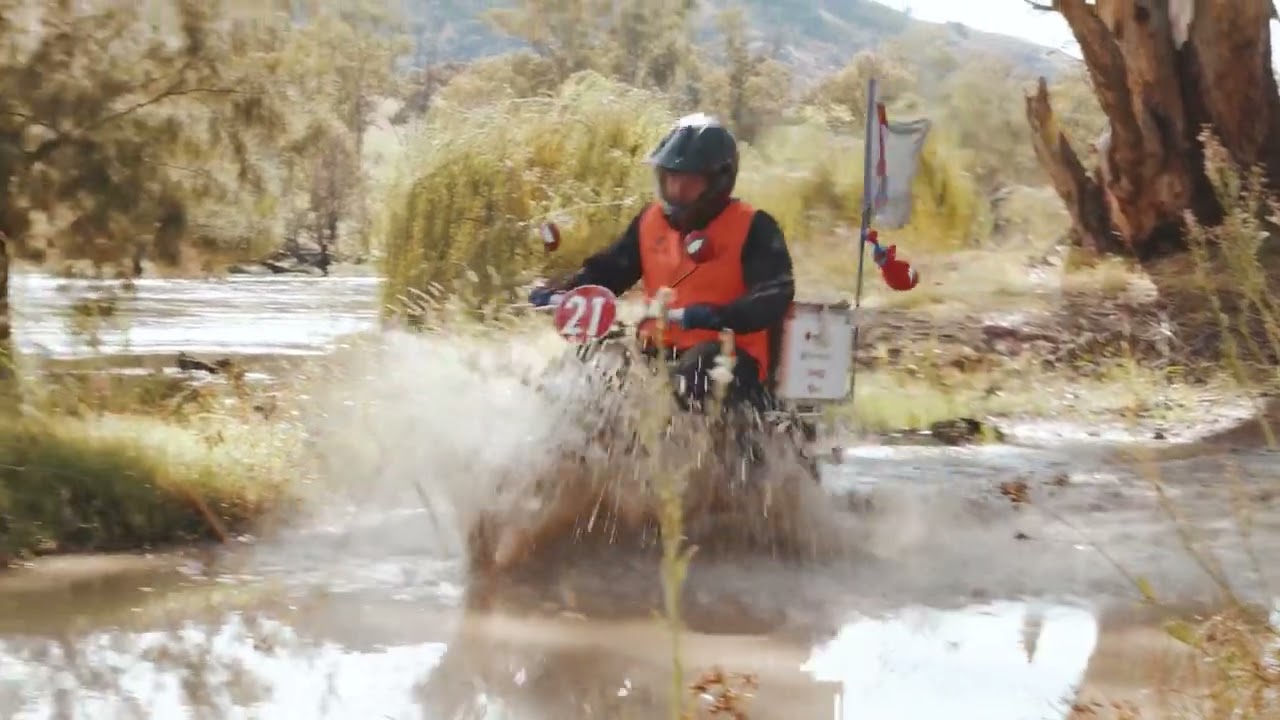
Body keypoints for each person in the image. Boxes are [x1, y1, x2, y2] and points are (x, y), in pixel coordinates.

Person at [529, 113, 796, 413]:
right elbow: (610, 270)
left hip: (729, 357)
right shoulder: (649, 221)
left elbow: (773, 296)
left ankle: (701, 456)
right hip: (656, 351)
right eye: (670, 180)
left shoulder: (755, 227)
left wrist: (713, 316)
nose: (677, 192)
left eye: (690, 183)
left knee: (695, 374)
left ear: (719, 182)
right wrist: (565, 292)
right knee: (585, 365)